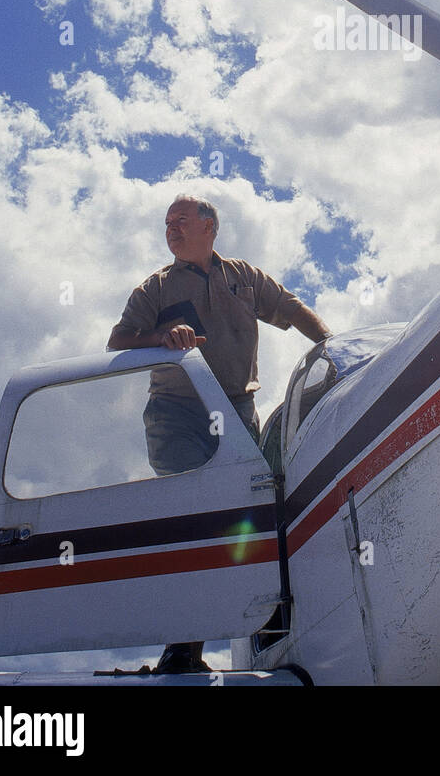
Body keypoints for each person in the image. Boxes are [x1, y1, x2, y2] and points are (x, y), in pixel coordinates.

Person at [107, 193, 331, 674]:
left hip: (237, 410)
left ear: (209, 226)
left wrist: (336, 351)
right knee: (200, 516)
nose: (170, 229)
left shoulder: (242, 277)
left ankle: (266, 622)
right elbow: (118, 342)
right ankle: (182, 651)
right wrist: (161, 338)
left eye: (180, 220)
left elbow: (291, 309)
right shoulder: (155, 288)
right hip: (177, 412)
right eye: (166, 222)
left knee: (248, 520)